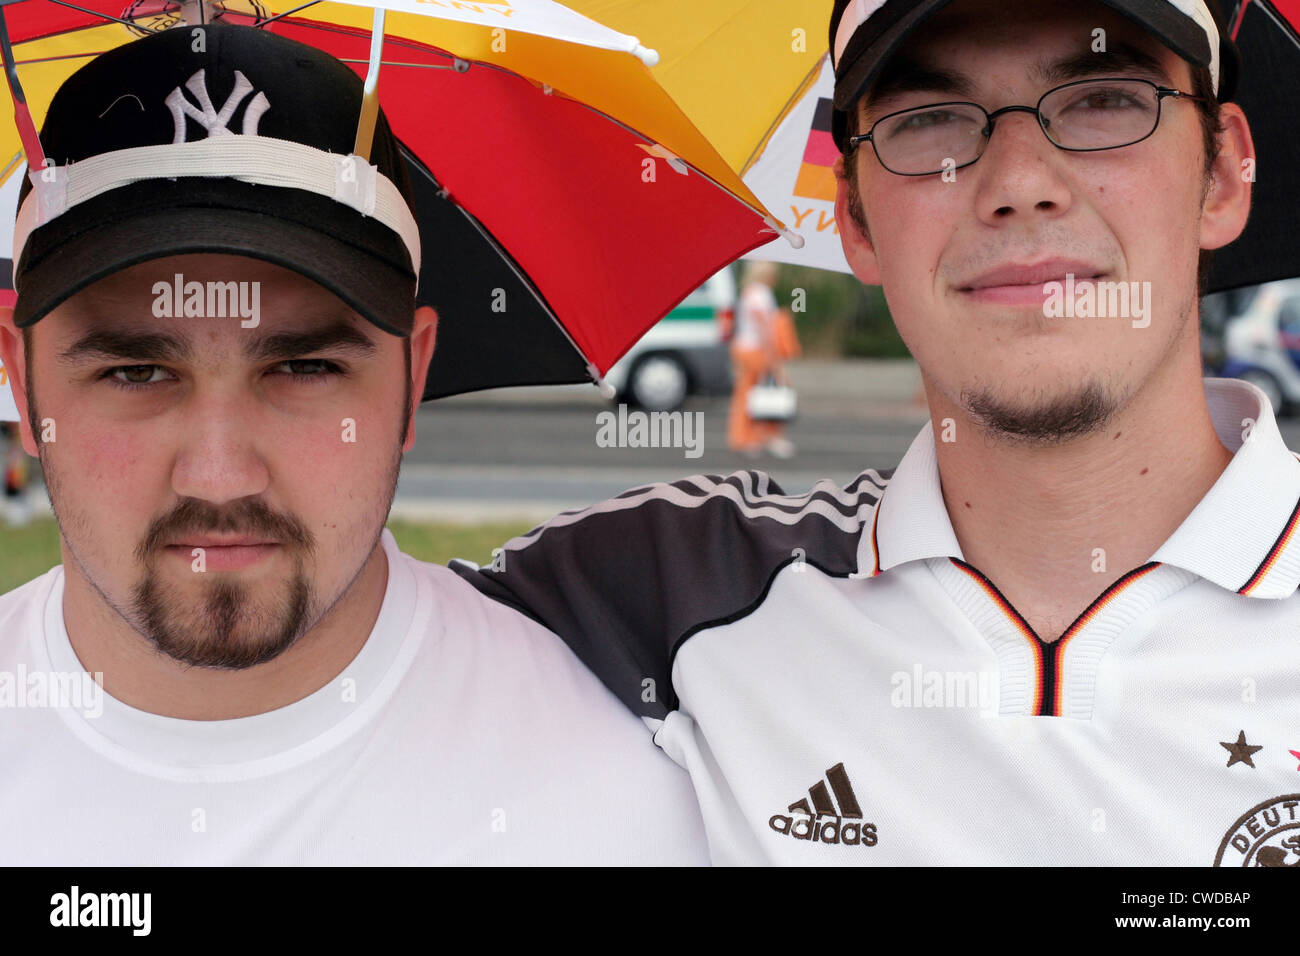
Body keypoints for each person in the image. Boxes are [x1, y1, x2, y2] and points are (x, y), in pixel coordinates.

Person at [453, 0, 1300, 865]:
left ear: (1226, 173)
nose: (1017, 183)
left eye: (1103, 102)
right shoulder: (657, 595)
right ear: (853, 221)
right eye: (929, 120)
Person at [0, 23, 708, 865]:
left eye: (304, 366)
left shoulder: (620, 788)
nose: (221, 477)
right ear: (21, 378)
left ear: (412, 380)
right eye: (135, 372)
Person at [727, 260, 798, 457]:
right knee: (762, 393)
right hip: (756, 351)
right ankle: (761, 437)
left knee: (748, 394)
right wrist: (774, 358)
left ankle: (748, 437)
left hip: (745, 348)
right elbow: (764, 329)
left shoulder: (750, 291)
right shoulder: (761, 294)